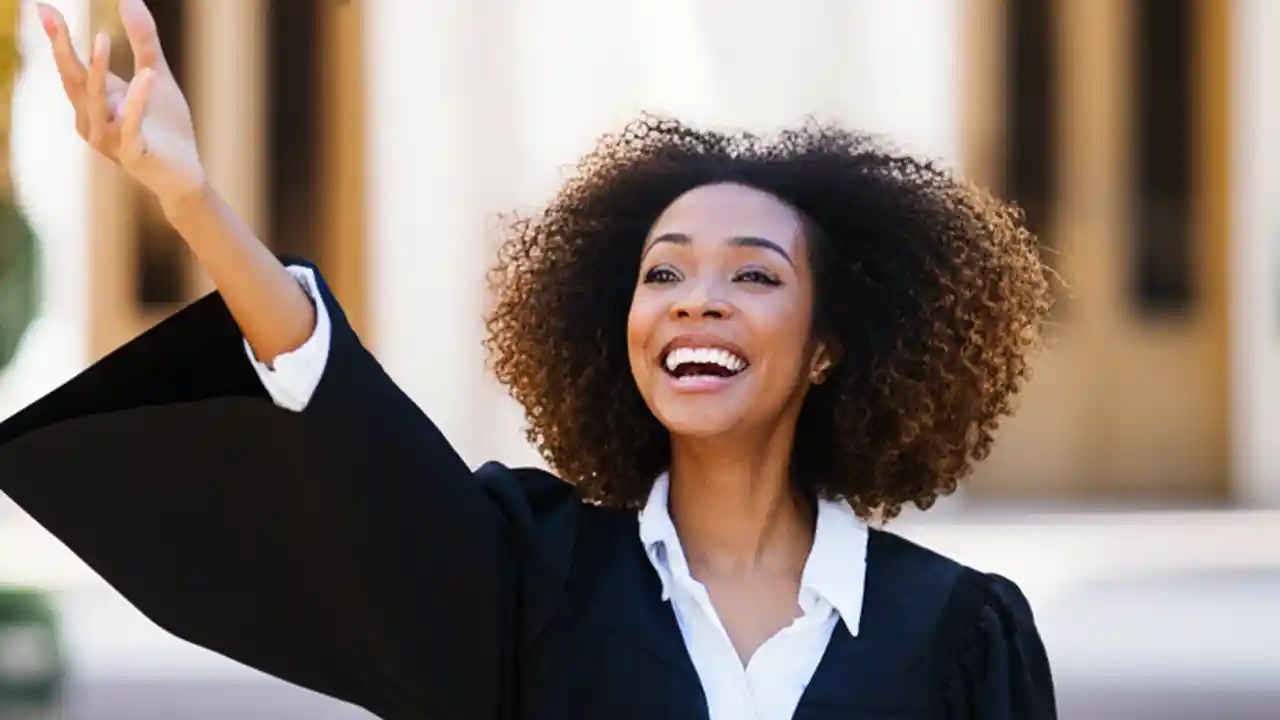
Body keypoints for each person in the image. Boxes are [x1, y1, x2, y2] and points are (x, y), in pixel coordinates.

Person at [0, 1, 1057, 718]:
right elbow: (351, 435)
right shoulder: (535, 578)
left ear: (830, 346)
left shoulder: (956, 634)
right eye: (663, 274)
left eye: (752, 276)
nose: (696, 300)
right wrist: (192, 199)